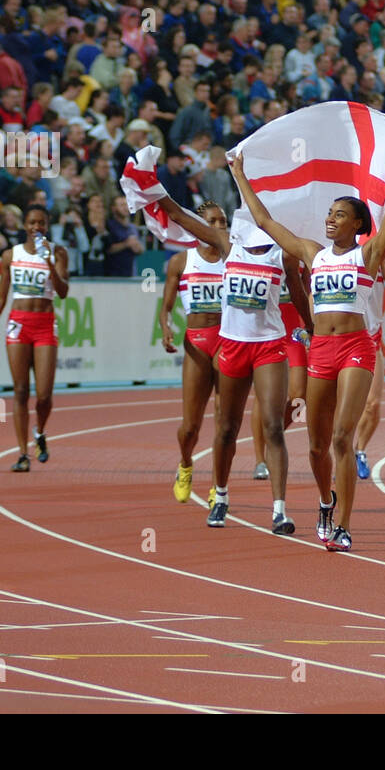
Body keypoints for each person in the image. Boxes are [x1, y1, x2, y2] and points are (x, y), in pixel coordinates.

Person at [227, 122, 385, 552]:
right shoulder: (311, 253)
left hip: (357, 349)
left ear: (357, 224)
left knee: (341, 438)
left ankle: (345, 525)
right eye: (329, 214)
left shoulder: (369, 254)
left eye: (339, 215)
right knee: (316, 446)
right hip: (321, 349)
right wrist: (239, 174)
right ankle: (324, 501)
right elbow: (263, 219)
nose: (329, 220)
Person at [153, 196, 312, 534]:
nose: (226, 227)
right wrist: (152, 188)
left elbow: (298, 294)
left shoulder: (281, 254)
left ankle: (280, 511)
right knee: (226, 427)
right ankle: (221, 496)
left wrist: (313, 329)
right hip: (231, 344)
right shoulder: (228, 247)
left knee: (273, 425)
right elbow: (178, 214)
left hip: (269, 344)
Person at [0, 205, 70, 472]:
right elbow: (0, 296)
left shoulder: (59, 252)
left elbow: (63, 292)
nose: (36, 227)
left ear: (47, 225)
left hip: (44, 324)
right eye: (31, 222)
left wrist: (50, 262)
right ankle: (22, 454)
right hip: (18, 324)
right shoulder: (10, 255)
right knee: (20, 391)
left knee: (43, 395)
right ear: (25, 225)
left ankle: (39, 431)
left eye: (41, 222)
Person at [159, 201, 228, 505]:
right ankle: (186, 464)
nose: (220, 227)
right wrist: (166, 328)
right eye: (213, 221)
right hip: (197, 342)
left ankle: (218, 486)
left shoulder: (234, 259)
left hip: (229, 342)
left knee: (225, 422)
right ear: (197, 226)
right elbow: (165, 306)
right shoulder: (181, 262)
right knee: (191, 426)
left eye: (223, 222)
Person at [250, 257, 313, 481]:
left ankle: (273, 436)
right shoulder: (262, 251)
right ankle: (260, 460)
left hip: (292, 332)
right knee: (262, 397)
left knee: (299, 396)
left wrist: (311, 325)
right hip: (267, 330)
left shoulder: (298, 252)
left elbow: (308, 292)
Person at [355, 248, 385, 480]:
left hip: (371, 337)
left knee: (372, 404)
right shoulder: (332, 248)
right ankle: (338, 455)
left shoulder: (383, 251)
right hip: (339, 338)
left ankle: (359, 450)